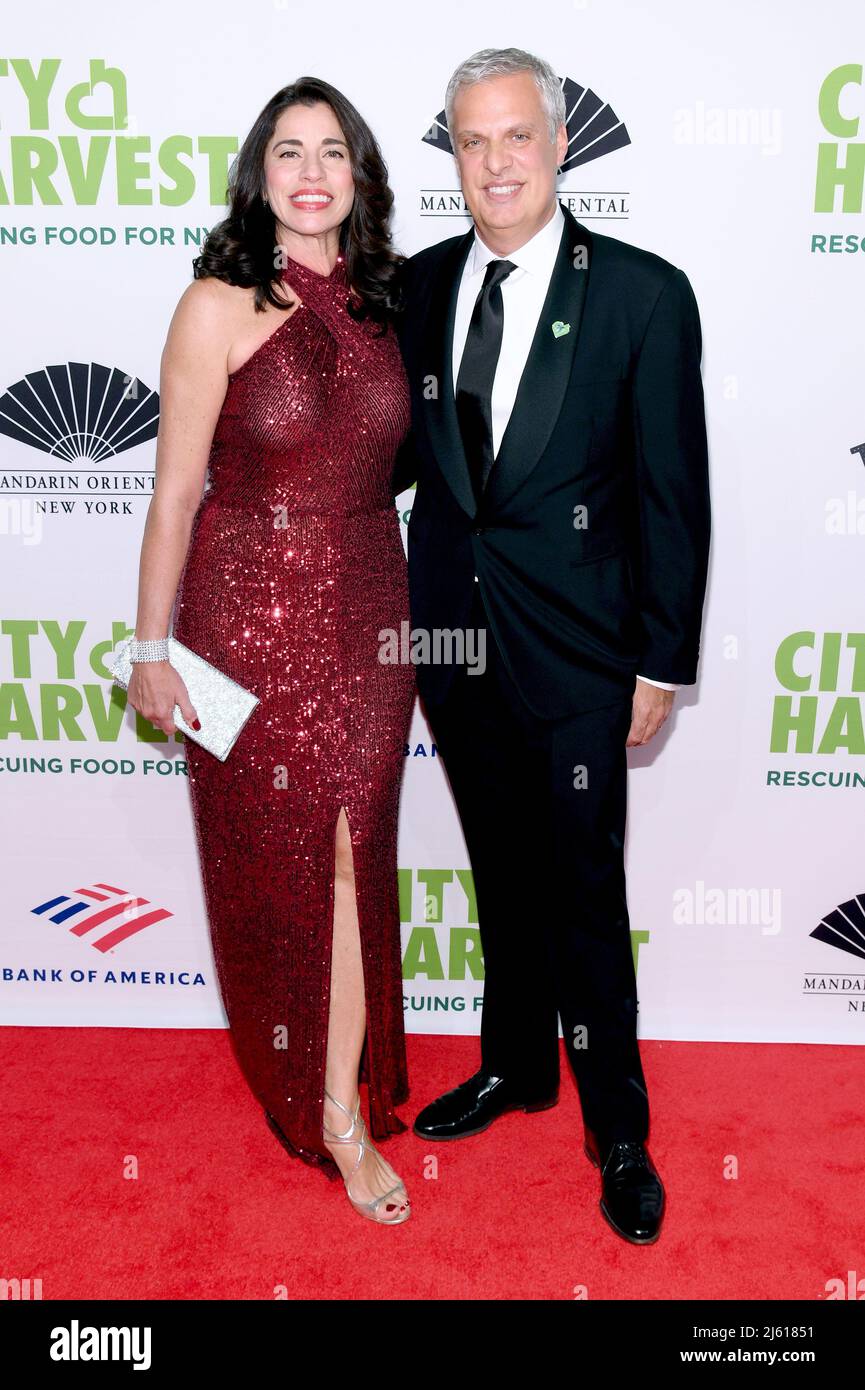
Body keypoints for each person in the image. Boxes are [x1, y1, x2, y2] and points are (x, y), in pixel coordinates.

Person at [393, 47, 711, 1244]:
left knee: (583, 888)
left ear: (558, 142)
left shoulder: (640, 292)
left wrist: (659, 661)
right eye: (471, 142)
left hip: (584, 656)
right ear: (455, 156)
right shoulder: (421, 288)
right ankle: (516, 1065)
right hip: (457, 643)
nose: (494, 162)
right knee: (500, 876)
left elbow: (673, 493)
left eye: (515, 136)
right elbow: (408, 465)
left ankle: (617, 1127)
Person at [126, 78, 415, 1225]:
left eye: (332, 151)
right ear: (259, 175)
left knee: (357, 851)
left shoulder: (390, 306)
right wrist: (149, 645)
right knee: (272, 868)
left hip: (368, 606)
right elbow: (173, 489)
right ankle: (327, 1105)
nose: (310, 171)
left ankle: (339, 1091)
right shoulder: (216, 304)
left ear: (359, 176)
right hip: (239, 616)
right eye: (288, 151)